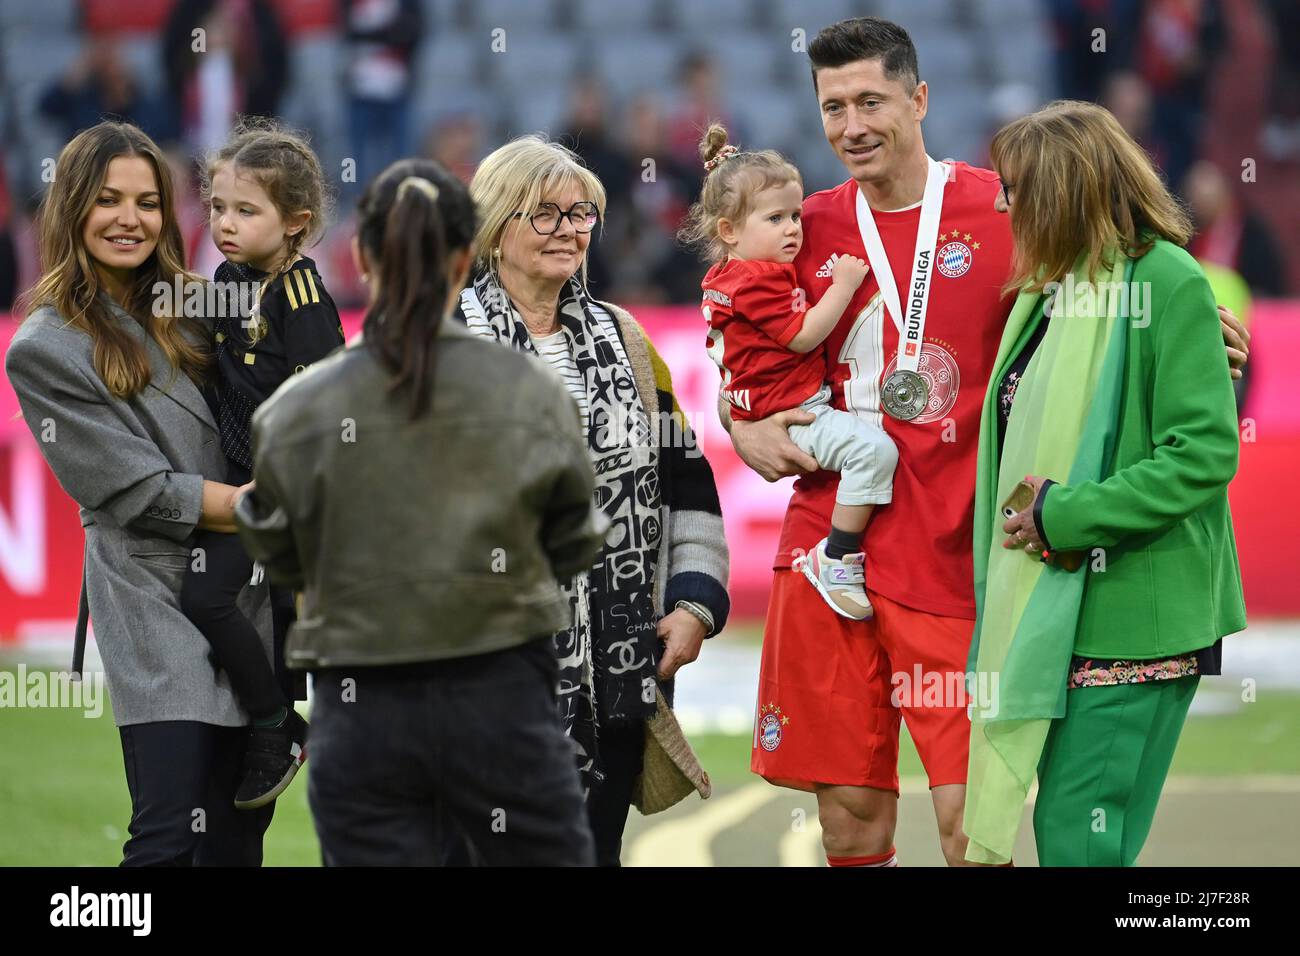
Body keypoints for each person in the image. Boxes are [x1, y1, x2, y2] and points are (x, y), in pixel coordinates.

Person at [724, 16, 1250, 868]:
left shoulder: (1007, 206)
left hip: (962, 555)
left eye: (870, 100)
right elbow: (740, 345)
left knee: (974, 830)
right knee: (849, 822)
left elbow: (1122, 302)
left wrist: (1205, 331)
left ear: (920, 98)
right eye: (832, 107)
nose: (851, 125)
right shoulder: (800, 229)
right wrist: (736, 416)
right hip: (831, 558)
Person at [233, 157, 604, 866]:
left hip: (360, 708)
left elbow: (277, 551)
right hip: (504, 699)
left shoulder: (297, 411)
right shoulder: (528, 391)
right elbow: (575, 541)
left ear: (363, 257)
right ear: (468, 257)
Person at [967, 100, 1246, 866]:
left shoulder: (1167, 280)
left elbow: (1202, 454)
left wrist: (1066, 515)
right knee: (1077, 839)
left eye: (1015, 186)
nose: (1000, 202)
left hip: (1136, 614)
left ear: (1064, 187)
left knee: (1081, 842)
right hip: (1060, 608)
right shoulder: (1048, 291)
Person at [4, 121, 277, 865]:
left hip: (244, 598)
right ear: (71, 211)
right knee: (164, 839)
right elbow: (143, 493)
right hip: (153, 599)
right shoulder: (44, 346)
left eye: (148, 201)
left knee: (231, 845)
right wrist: (270, 506)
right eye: (107, 200)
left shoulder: (205, 302)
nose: (130, 218)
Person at [453, 135, 731, 866]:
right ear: (494, 225)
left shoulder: (627, 338)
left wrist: (695, 601)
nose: (570, 229)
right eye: (545, 214)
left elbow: (687, 477)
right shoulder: (438, 342)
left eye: (581, 214)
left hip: (613, 675)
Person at [179, 119, 345, 810]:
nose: (225, 223)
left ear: (296, 222)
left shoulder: (303, 303)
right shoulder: (226, 278)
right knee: (227, 615)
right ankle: (265, 727)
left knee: (208, 597)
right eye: (218, 207)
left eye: (247, 211)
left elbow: (320, 420)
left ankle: (279, 727)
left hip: (281, 499)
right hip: (238, 488)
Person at [681, 123, 894, 621]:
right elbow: (802, 336)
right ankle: (839, 556)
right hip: (796, 413)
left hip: (771, 402)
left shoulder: (729, 274)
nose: (793, 228)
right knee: (877, 454)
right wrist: (843, 286)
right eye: (775, 218)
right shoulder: (756, 280)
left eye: (796, 215)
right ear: (729, 231)